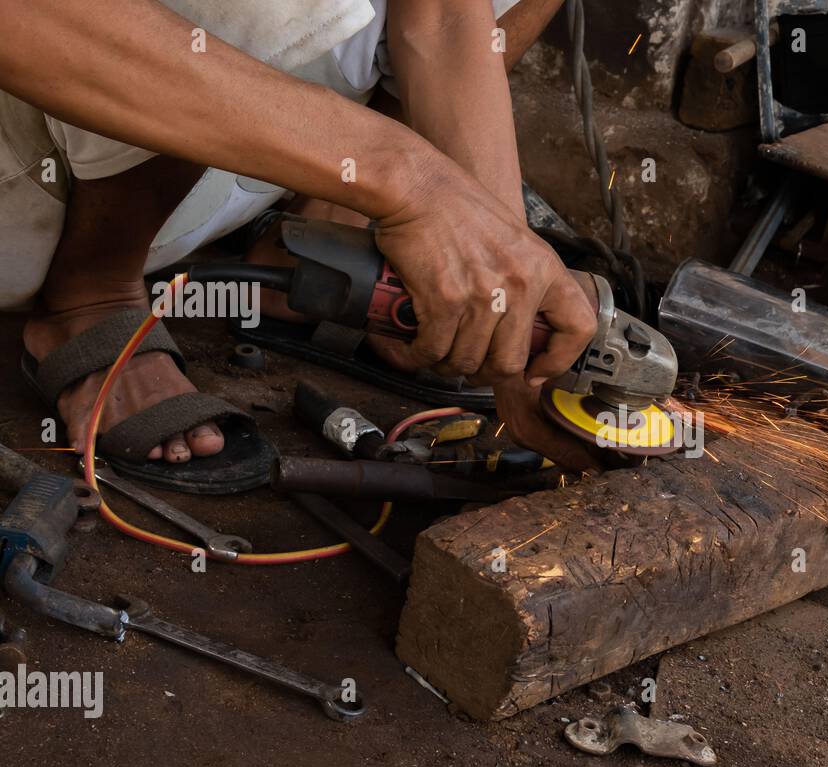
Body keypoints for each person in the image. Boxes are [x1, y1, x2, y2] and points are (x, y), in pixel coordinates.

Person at [0, 0, 602, 476]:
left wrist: (502, 277)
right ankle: (91, 296)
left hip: (186, 154)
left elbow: (443, 16)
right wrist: (410, 179)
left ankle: (321, 231)